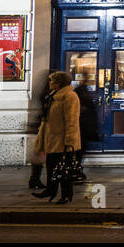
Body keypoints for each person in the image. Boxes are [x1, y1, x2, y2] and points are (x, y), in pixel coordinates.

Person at [31, 70, 81, 204]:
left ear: (59, 83)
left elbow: (72, 120)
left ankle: (66, 195)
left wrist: (69, 141)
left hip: (63, 142)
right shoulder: (53, 96)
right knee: (52, 168)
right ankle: (51, 190)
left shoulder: (70, 97)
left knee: (64, 170)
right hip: (52, 140)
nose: (49, 83)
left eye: (52, 81)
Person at [26, 73, 54, 192]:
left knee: (41, 154)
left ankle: (35, 179)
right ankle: (42, 181)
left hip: (42, 127)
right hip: (45, 128)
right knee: (44, 154)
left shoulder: (45, 94)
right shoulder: (49, 96)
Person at [74, 75, 100, 179]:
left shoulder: (80, 92)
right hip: (81, 127)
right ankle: (76, 170)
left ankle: (76, 169)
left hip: (83, 127)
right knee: (79, 150)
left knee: (79, 149)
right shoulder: (79, 93)